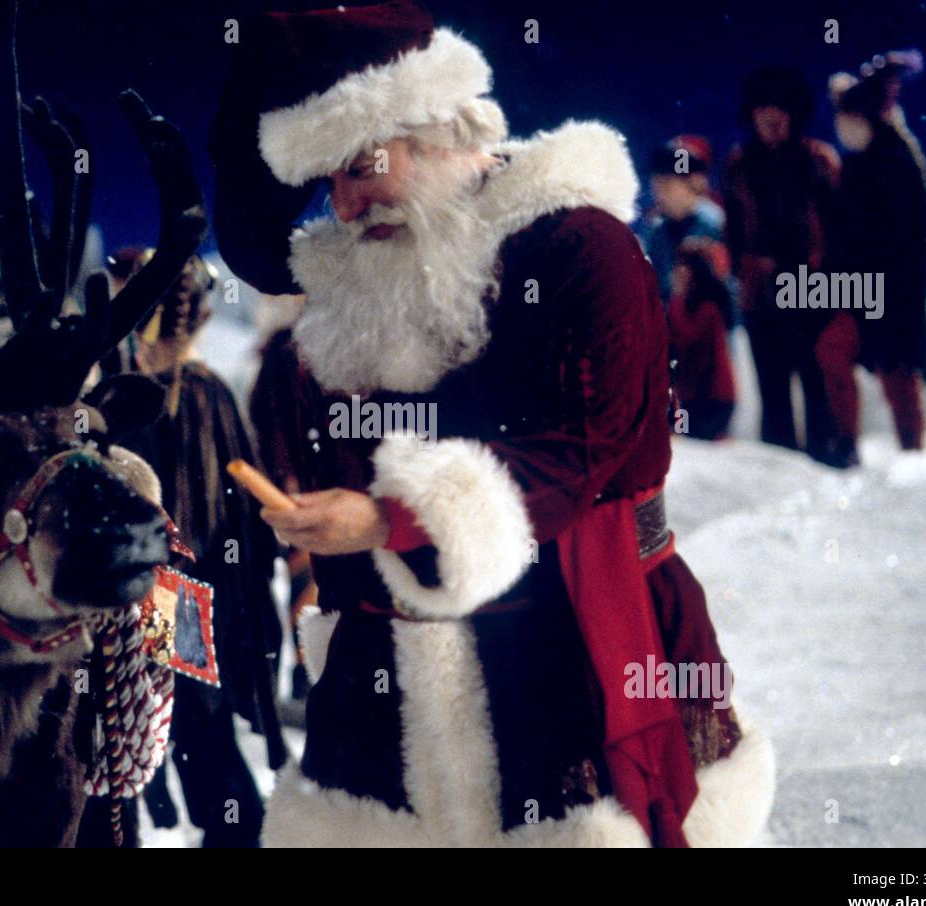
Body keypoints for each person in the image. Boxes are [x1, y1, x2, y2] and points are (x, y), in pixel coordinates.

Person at [208, 0, 773, 848]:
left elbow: (576, 453)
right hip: (383, 689)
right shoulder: (367, 276)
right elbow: (262, 251)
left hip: (570, 656)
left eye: (363, 166)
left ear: (440, 129)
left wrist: (389, 517)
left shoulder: (582, 248)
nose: (348, 206)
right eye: (327, 182)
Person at [99, 255, 286, 847]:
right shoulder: (192, 392)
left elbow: (204, 523)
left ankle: (236, 834)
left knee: (195, 728)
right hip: (177, 596)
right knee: (183, 728)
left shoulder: (189, 395)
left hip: (175, 598)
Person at [816, 53, 926, 464]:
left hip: (895, 288)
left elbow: (910, 228)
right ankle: (848, 443)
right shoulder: (860, 163)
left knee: (898, 371)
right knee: (834, 350)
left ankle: (913, 452)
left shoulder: (895, 161)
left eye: (847, 118)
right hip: (860, 287)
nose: (840, 127)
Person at [723, 66, 840, 460]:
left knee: (816, 380)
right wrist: (747, 271)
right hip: (760, 291)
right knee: (772, 385)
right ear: (752, 114)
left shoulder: (819, 161)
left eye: (780, 110)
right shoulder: (738, 165)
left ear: (794, 114)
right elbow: (734, 231)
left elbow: (837, 228)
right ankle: (777, 468)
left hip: (811, 287)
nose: (771, 119)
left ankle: (827, 459)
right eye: (763, 110)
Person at [641, 143, 728, 303]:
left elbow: (728, 284)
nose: (659, 194)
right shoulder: (656, 229)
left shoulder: (715, 223)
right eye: (656, 186)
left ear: (692, 184)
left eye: (667, 184)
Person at [668, 239, 736, 440]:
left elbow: (695, 359)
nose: (676, 273)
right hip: (686, 401)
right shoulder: (677, 306)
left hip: (711, 403)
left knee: (685, 436)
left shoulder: (708, 312)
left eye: (683, 267)